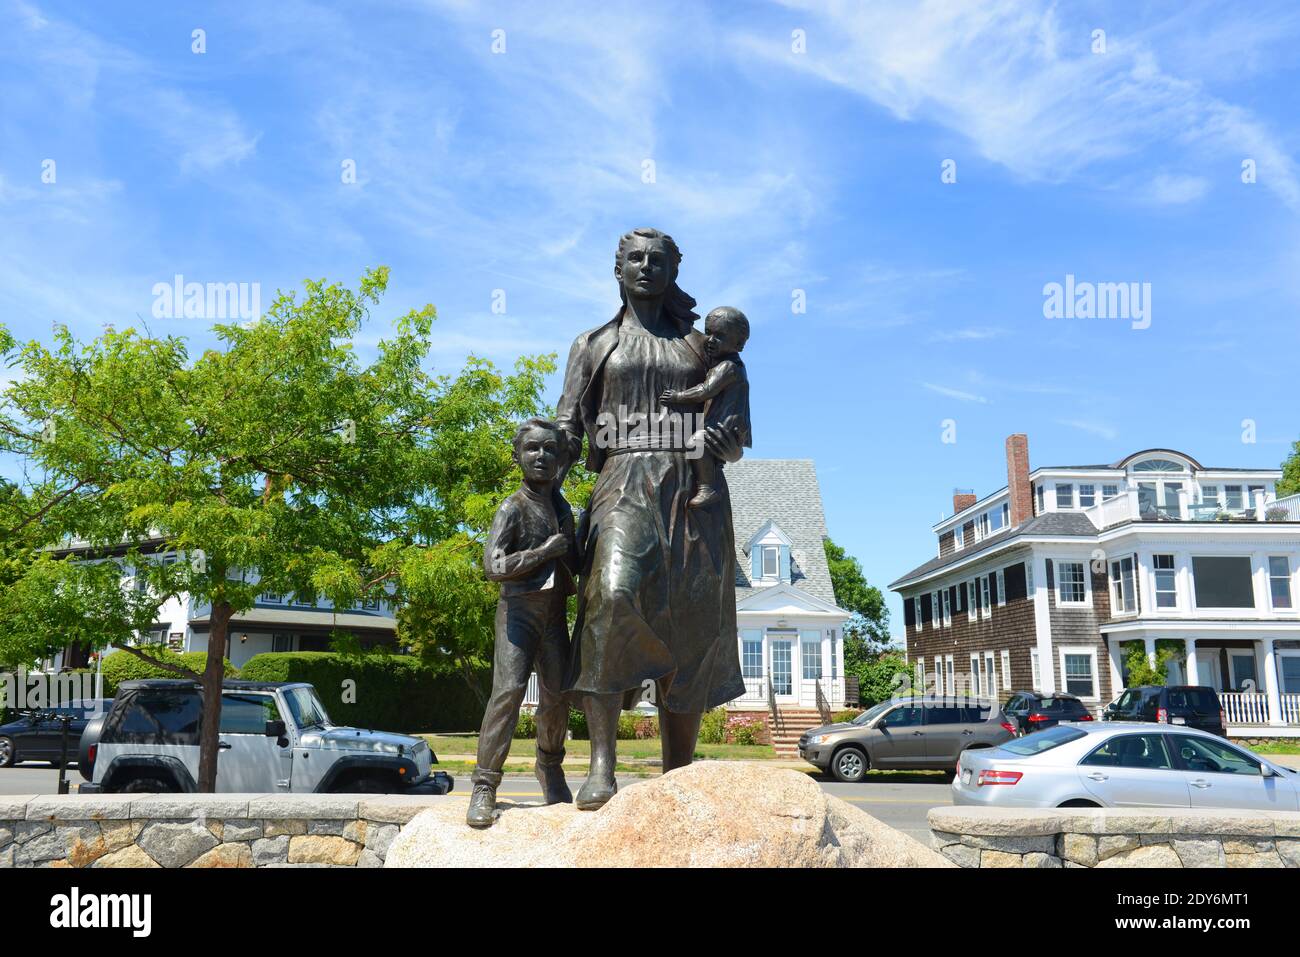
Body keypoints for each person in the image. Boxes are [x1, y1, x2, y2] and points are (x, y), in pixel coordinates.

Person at [556, 227, 747, 811]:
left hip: (695, 489)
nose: (646, 268)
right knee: (612, 598)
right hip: (622, 480)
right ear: (617, 270)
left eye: (657, 260)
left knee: (691, 622)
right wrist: (543, 492)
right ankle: (602, 766)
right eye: (634, 259)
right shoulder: (595, 343)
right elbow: (567, 424)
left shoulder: (702, 347)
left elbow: (737, 431)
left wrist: (724, 440)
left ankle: (678, 771)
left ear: (673, 270)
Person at [467, 418, 577, 828]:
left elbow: (575, 559)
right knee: (508, 694)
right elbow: (493, 566)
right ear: (517, 456)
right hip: (518, 614)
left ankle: (549, 766)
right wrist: (544, 552)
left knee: (557, 695)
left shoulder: (562, 508)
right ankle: (484, 785)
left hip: (553, 616)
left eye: (550, 449)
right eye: (532, 449)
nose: (542, 456)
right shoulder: (512, 507)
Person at [658, 305, 751, 509]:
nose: (709, 340)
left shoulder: (728, 367)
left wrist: (677, 396)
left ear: (738, 344)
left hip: (724, 426)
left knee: (696, 442)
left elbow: (704, 391)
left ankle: (707, 488)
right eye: (708, 332)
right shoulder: (726, 364)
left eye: (719, 336)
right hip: (723, 424)